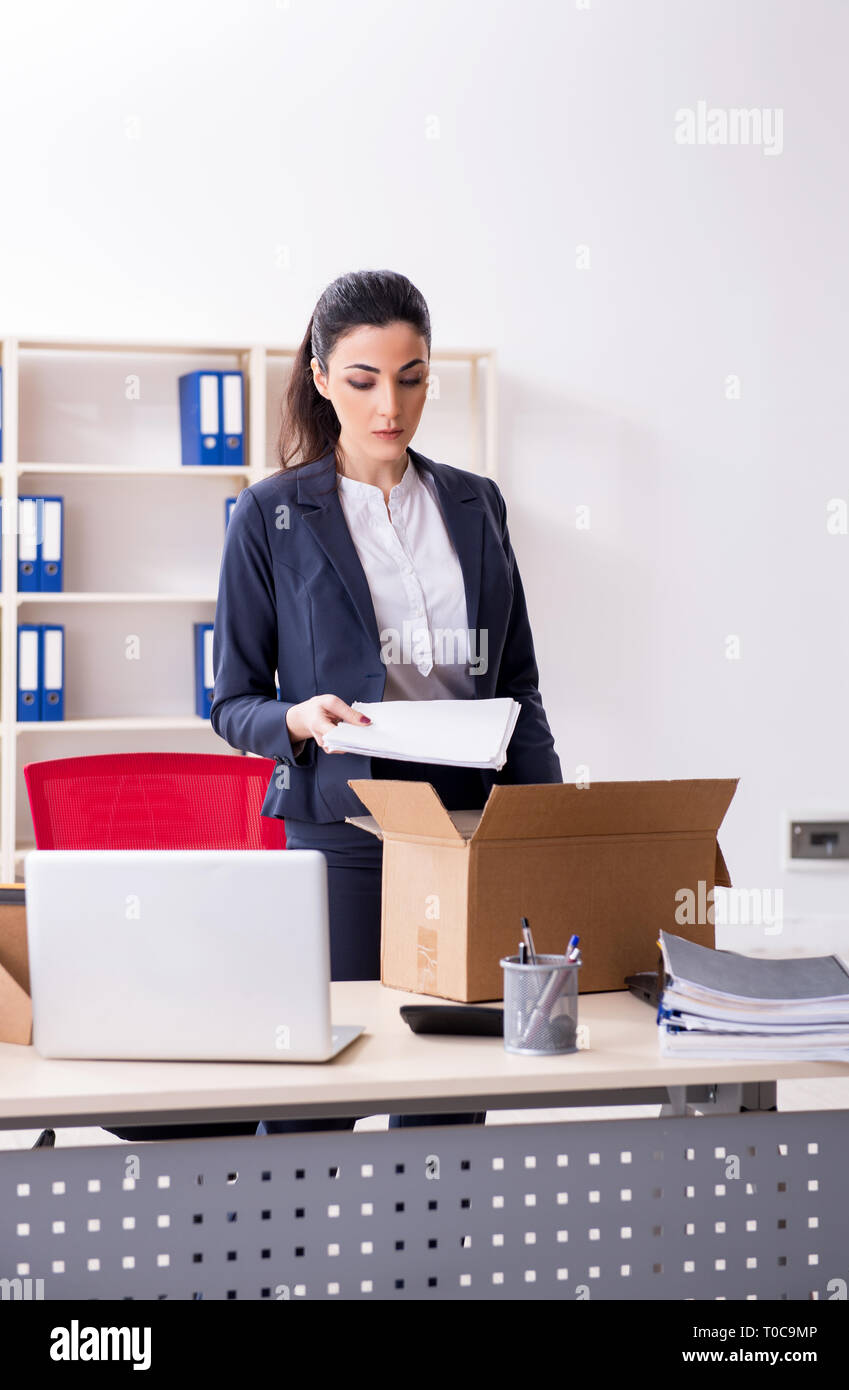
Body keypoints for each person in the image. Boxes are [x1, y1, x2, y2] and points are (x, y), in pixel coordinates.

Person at [209, 267, 562, 1134]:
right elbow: (232, 702)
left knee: (447, 1086)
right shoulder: (269, 515)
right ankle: (277, 1265)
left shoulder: (475, 505)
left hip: (464, 824)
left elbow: (515, 683)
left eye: (410, 378)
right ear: (323, 378)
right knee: (321, 1086)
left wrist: (547, 823)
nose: (388, 406)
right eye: (363, 380)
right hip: (342, 822)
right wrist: (295, 718)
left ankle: (427, 1268)